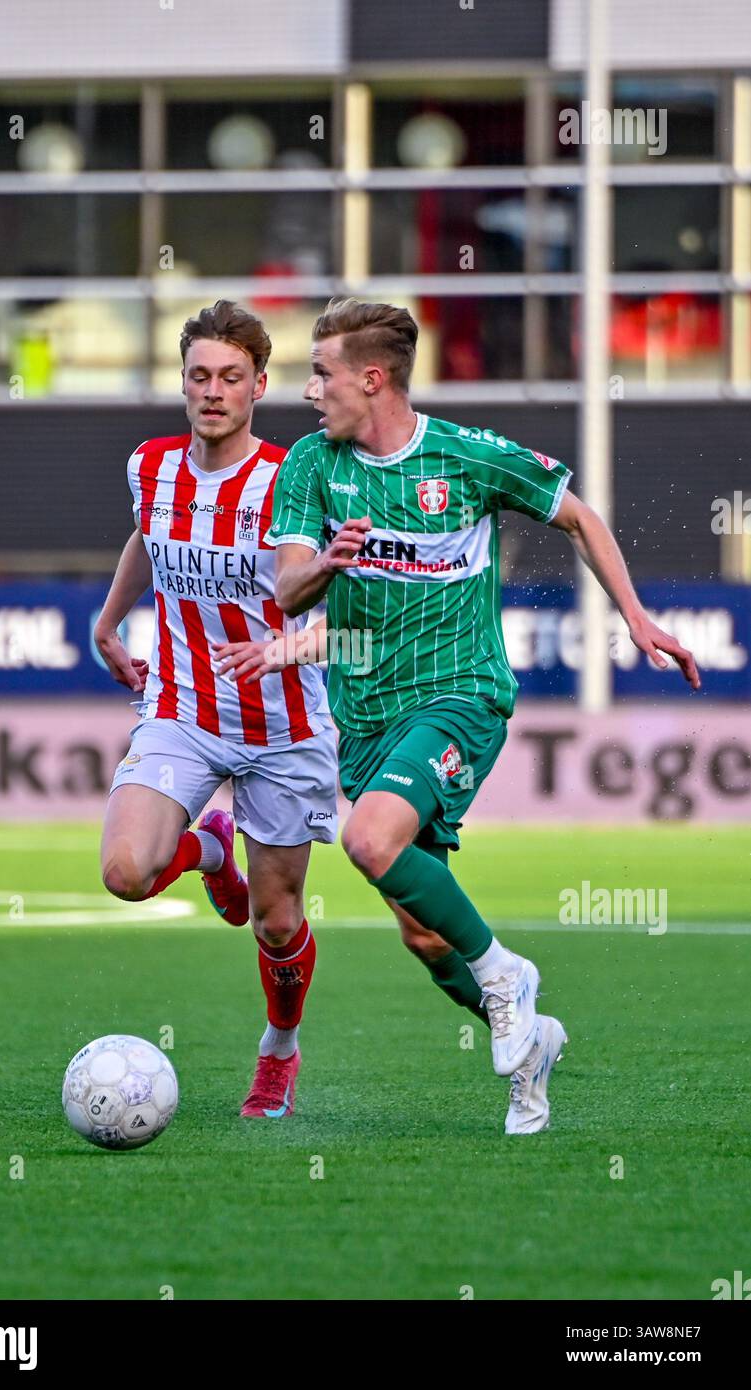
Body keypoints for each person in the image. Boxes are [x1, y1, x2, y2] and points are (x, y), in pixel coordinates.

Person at [260, 296, 700, 1134]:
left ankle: (505, 975)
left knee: (366, 842)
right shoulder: (310, 466)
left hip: (460, 695)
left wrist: (634, 617)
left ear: (372, 377)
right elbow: (285, 592)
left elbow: (576, 514)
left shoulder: (465, 458)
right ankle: (529, 1052)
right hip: (366, 714)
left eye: (322, 373)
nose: (310, 390)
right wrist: (327, 562)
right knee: (425, 940)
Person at [95, 300, 338, 1119]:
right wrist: (108, 617)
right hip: (183, 708)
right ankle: (206, 851)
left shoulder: (292, 481)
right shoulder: (149, 466)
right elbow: (147, 537)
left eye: (231, 377)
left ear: (259, 386)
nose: (212, 391)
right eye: (199, 375)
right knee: (125, 873)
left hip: (284, 728)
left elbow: (358, 611)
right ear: (184, 382)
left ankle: (278, 1050)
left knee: (275, 923)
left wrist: (285, 648)